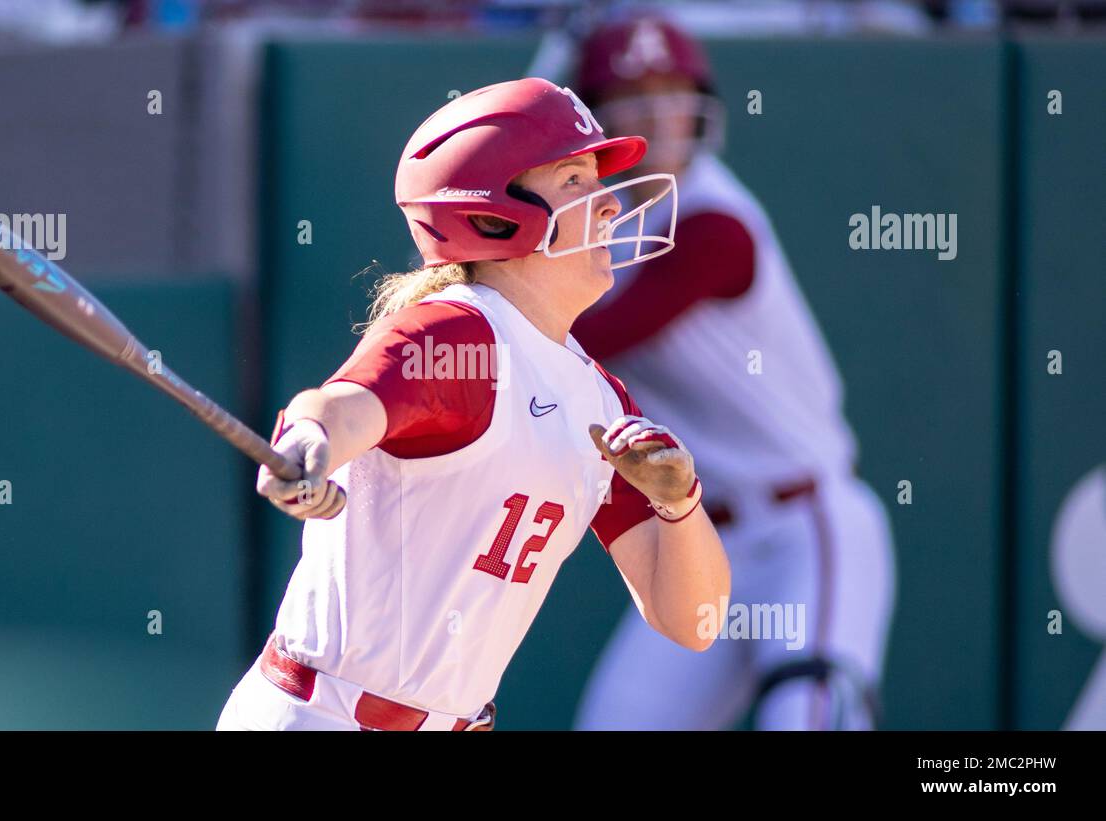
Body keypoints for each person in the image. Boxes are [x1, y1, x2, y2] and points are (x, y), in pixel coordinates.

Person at [215, 77, 730, 731]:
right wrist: (312, 441)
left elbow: (694, 620)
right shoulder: (458, 332)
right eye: (575, 180)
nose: (607, 202)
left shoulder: (598, 395)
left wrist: (679, 501)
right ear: (494, 214)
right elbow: (345, 404)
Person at [569, 17, 895, 730]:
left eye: (674, 91)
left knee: (806, 718)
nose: (659, 114)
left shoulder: (717, 221)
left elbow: (594, 337)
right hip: (700, 542)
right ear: (595, 120)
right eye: (631, 97)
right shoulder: (597, 224)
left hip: (805, 525)